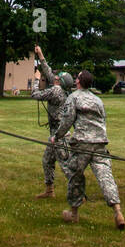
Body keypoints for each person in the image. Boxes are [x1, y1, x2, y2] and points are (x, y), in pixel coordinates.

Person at [53, 70, 125, 230]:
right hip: (100, 143)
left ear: (78, 82)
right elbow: (103, 119)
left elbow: (66, 121)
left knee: (75, 176)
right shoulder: (98, 100)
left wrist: (56, 136)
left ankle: (74, 212)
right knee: (105, 177)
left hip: (82, 144)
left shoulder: (74, 98)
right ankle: (117, 211)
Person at [31, 44, 73, 198]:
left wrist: (35, 81)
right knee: (47, 161)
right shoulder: (62, 89)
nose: (54, 77)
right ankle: (49, 191)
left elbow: (35, 95)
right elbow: (48, 72)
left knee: (66, 166)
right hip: (55, 134)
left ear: (59, 82)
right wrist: (40, 55)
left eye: (57, 77)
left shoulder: (56, 91)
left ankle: (77, 193)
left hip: (60, 136)